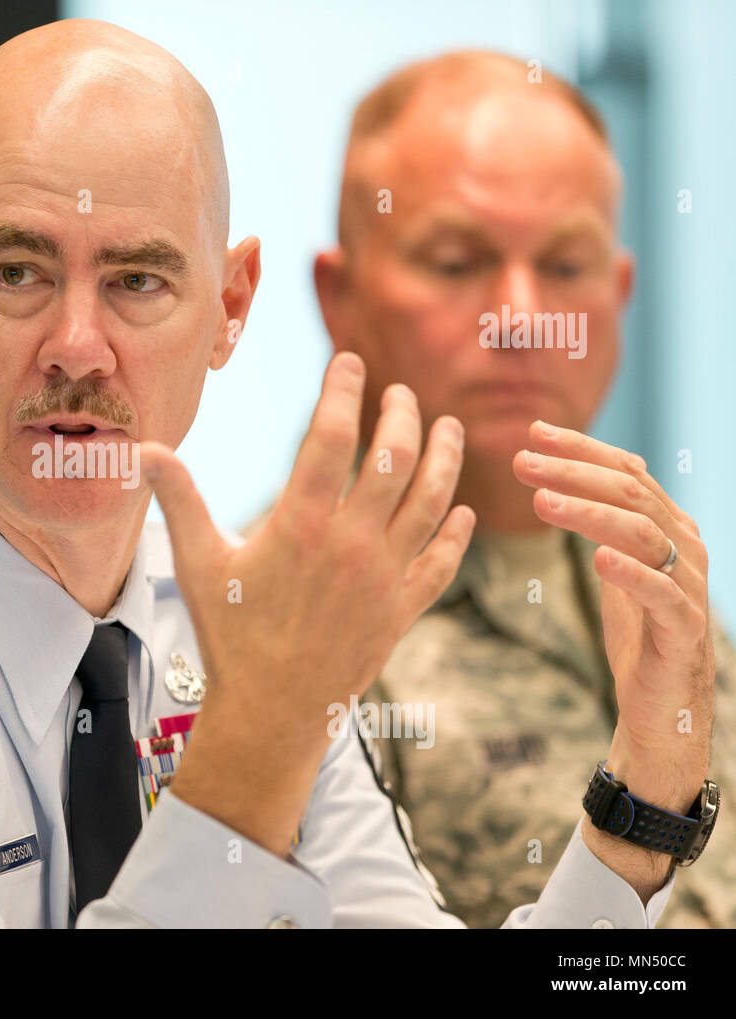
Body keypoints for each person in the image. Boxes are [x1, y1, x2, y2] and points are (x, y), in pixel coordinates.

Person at [0, 21, 719, 928]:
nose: (77, 346)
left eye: (137, 280)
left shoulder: (234, 617)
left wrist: (645, 792)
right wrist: (257, 740)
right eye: (17, 272)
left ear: (230, 307)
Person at [308, 50, 735, 928]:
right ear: (340, 296)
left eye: (567, 267)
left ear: (619, 299)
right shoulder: (279, 626)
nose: (520, 316)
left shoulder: (660, 580)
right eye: (457, 262)